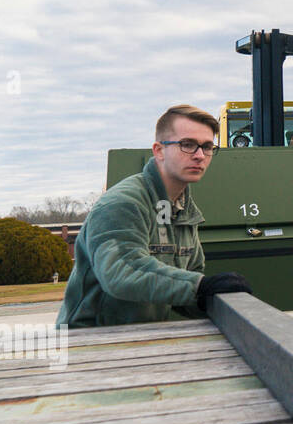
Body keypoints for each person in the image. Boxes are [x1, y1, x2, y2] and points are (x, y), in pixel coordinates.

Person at [57, 105, 252, 328]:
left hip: (141, 336)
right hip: (89, 341)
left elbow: (185, 280)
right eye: (187, 145)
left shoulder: (184, 211)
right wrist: (199, 287)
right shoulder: (123, 203)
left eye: (207, 147)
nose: (199, 155)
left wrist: (215, 297)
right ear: (159, 150)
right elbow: (121, 271)